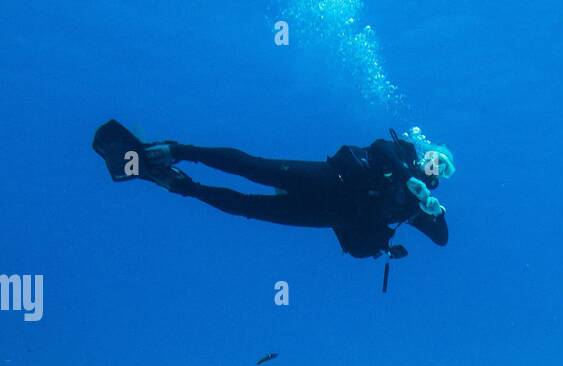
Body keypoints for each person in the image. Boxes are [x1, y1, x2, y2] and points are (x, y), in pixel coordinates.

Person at [92, 121, 454, 261]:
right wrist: (407, 175)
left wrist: (436, 211)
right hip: (328, 180)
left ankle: (179, 185)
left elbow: (442, 239)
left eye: (444, 169)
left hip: (328, 215)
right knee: (255, 168)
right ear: (427, 153)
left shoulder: (421, 207)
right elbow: (380, 147)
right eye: (436, 159)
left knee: (247, 207)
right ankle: (177, 150)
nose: (436, 167)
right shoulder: (403, 154)